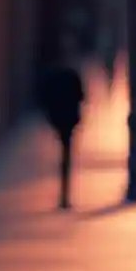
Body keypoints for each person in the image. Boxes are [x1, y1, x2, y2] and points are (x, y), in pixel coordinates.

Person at [34, 41, 86, 210]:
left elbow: (44, 97)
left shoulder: (54, 74)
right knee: (66, 154)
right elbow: (81, 96)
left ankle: (64, 194)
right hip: (67, 119)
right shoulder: (70, 74)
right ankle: (64, 194)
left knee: (64, 154)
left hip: (59, 119)